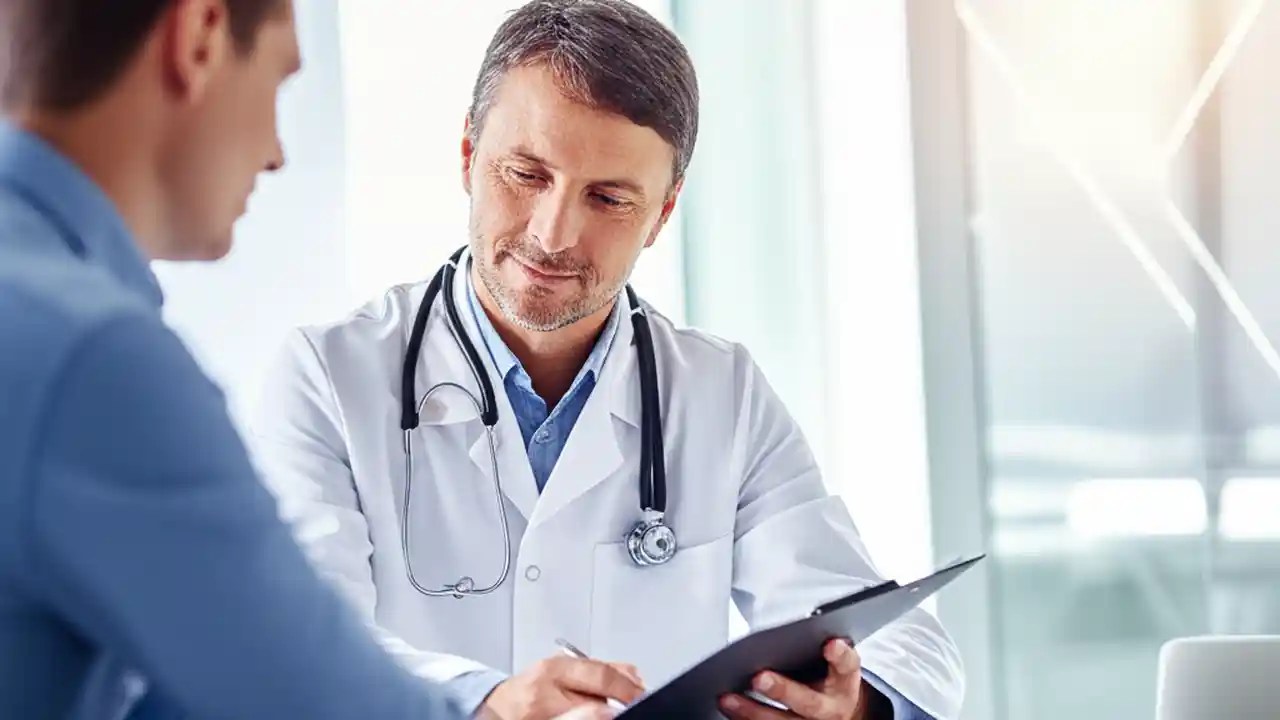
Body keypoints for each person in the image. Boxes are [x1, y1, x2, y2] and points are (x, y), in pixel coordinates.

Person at [253, 1, 964, 719]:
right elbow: (293, 651)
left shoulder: (720, 395)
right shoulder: (329, 376)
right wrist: (483, 705)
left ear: (663, 213)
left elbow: (904, 642)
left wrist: (855, 703)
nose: (553, 234)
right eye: (526, 175)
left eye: (609, 198)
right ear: (469, 155)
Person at [0, 1, 618, 718]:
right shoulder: (93, 361)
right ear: (198, 37)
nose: (275, 151)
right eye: (278, 79)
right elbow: (308, 701)